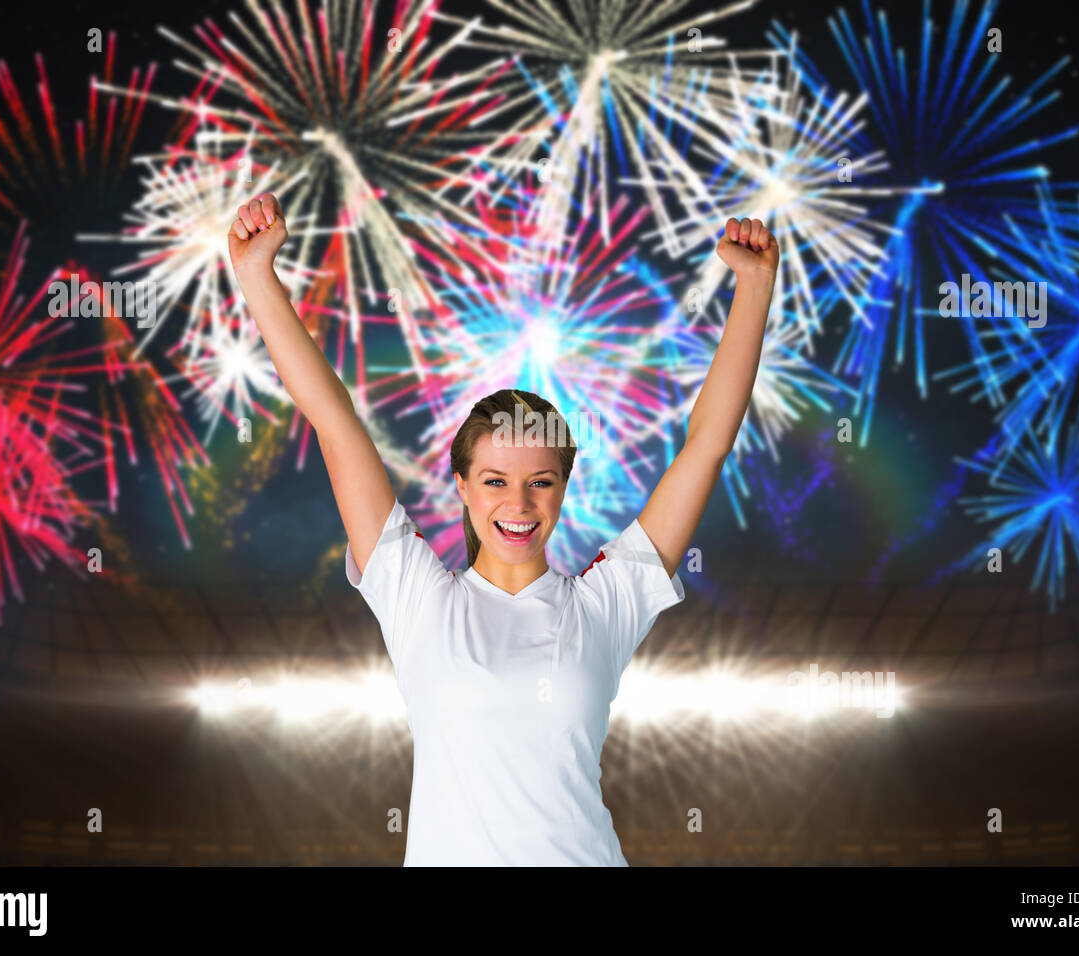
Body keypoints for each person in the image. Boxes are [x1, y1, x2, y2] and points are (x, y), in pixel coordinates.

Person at [229, 194, 779, 865]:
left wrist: (752, 288)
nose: (518, 503)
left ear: (563, 488)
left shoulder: (606, 606)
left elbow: (707, 446)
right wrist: (258, 276)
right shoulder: (415, 596)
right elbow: (334, 420)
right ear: (461, 487)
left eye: (539, 480)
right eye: (494, 480)